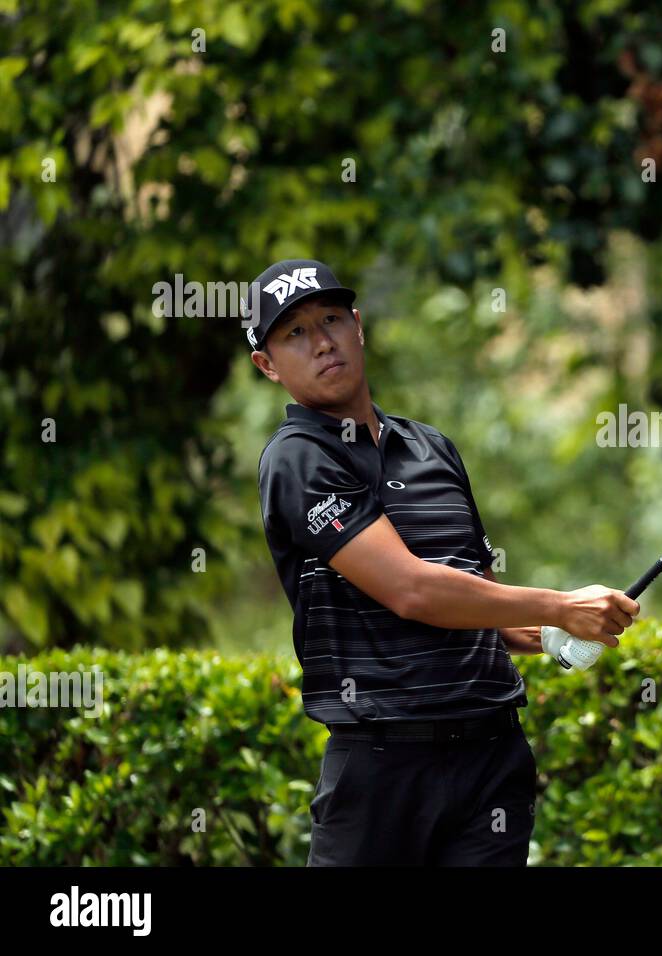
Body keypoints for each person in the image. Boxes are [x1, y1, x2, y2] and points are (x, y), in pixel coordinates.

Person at [243, 258, 639, 865]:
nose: (321, 341)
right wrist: (561, 602)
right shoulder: (296, 459)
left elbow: (472, 600)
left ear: (358, 325)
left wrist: (550, 634)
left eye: (331, 320)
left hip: (490, 759)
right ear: (267, 365)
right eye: (294, 332)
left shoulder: (432, 449)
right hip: (381, 769)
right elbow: (413, 591)